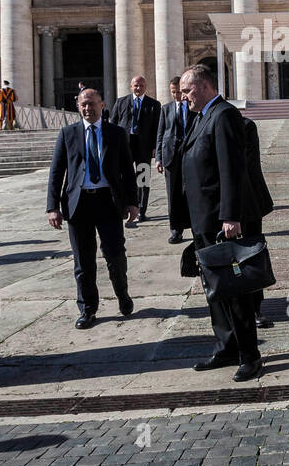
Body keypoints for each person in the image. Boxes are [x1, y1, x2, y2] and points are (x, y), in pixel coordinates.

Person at [180, 63, 265, 382]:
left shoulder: (224, 115)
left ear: (203, 87)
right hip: (203, 219)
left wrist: (231, 215)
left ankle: (249, 355)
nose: (184, 96)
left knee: (234, 288)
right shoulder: (202, 116)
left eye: (187, 90)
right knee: (215, 288)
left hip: (220, 219)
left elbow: (232, 169)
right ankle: (226, 345)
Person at [46, 88, 139, 329]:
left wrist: (133, 202)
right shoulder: (67, 134)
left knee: (115, 255)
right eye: (83, 104)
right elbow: (57, 173)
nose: (88, 108)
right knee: (83, 262)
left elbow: (128, 171)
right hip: (79, 205)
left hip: (108, 202)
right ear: (78, 107)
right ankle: (87, 309)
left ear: (102, 105)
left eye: (92, 104)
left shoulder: (116, 133)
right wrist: (52, 207)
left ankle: (122, 294)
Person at [110, 75, 161, 224]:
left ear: (145, 87)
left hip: (144, 147)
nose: (138, 88)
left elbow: (157, 128)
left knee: (143, 179)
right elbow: (113, 123)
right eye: (135, 86)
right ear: (131, 87)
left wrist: (155, 147)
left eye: (141, 86)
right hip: (125, 146)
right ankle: (123, 206)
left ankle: (141, 210)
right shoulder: (121, 102)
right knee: (122, 177)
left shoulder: (154, 104)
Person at [243, 115, 275, 329]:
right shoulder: (194, 123)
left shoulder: (244, 126)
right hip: (211, 206)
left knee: (251, 255)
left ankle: (254, 307)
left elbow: (246, 167)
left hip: (245, 203)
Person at [155, 75, 194, 244]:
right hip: (170, 155)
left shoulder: (193, 107)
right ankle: (175, 230)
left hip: (190, 154)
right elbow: (160, 134)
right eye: (173, 92)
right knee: (173, 194)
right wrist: (158, 158)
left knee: (192, 192)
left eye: (178, 91)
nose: (176, 95)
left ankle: (195, 227)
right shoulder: (166, 109)